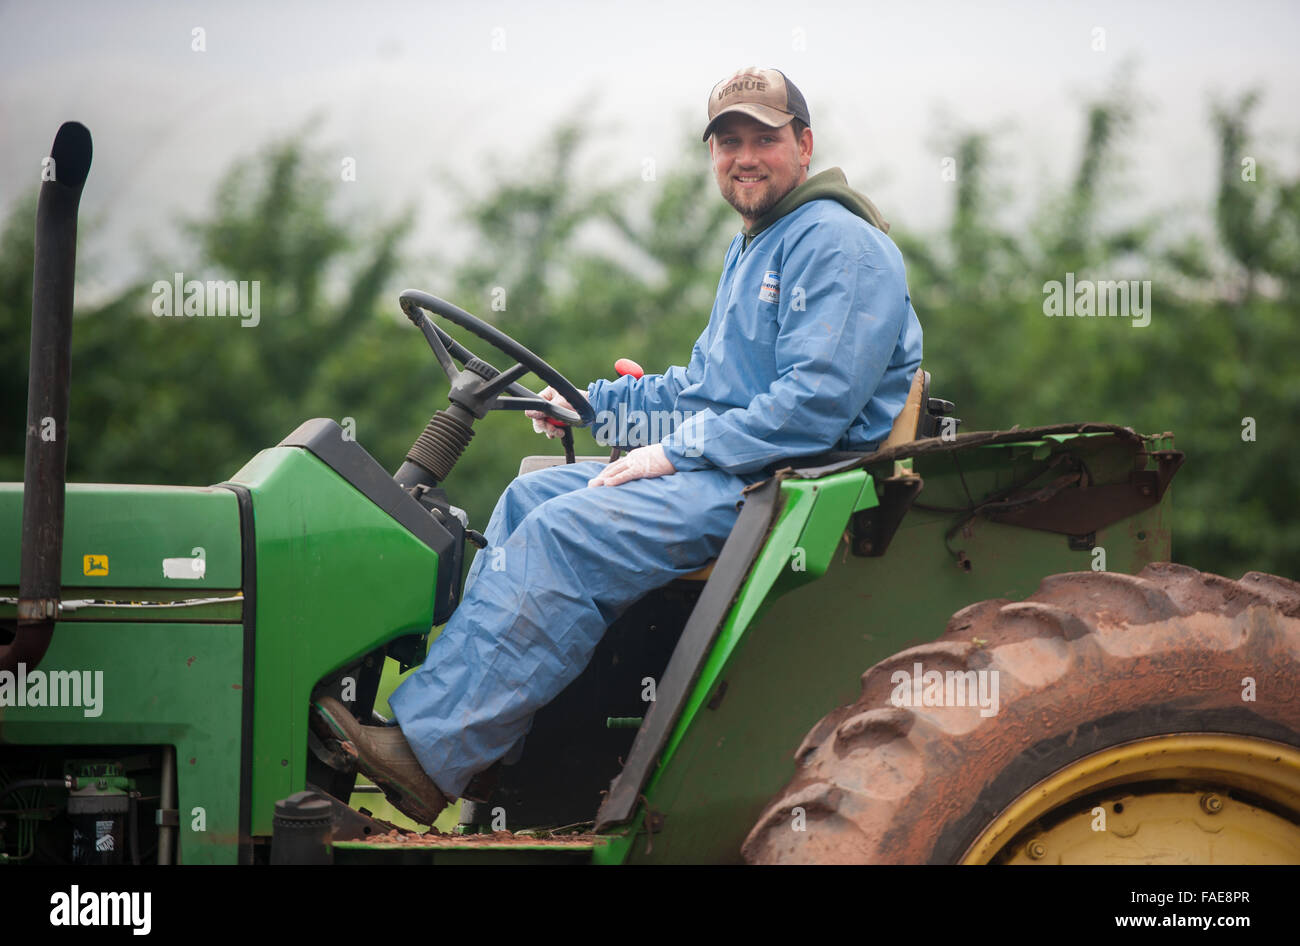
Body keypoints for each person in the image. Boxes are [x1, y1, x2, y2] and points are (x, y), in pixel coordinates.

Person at [311, 67, 924, 825]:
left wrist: (677, 453)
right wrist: (590, 404)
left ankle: (431, 749)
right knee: (530, 494)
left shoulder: (838, 242)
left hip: (790, 485)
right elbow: (703, 392)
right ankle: (494, 750)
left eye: (764, 137)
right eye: (728, 141)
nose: (745, 156)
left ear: (803, 143)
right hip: (742, 464)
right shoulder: (759, 243)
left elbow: (815, 407)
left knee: (567, 532)